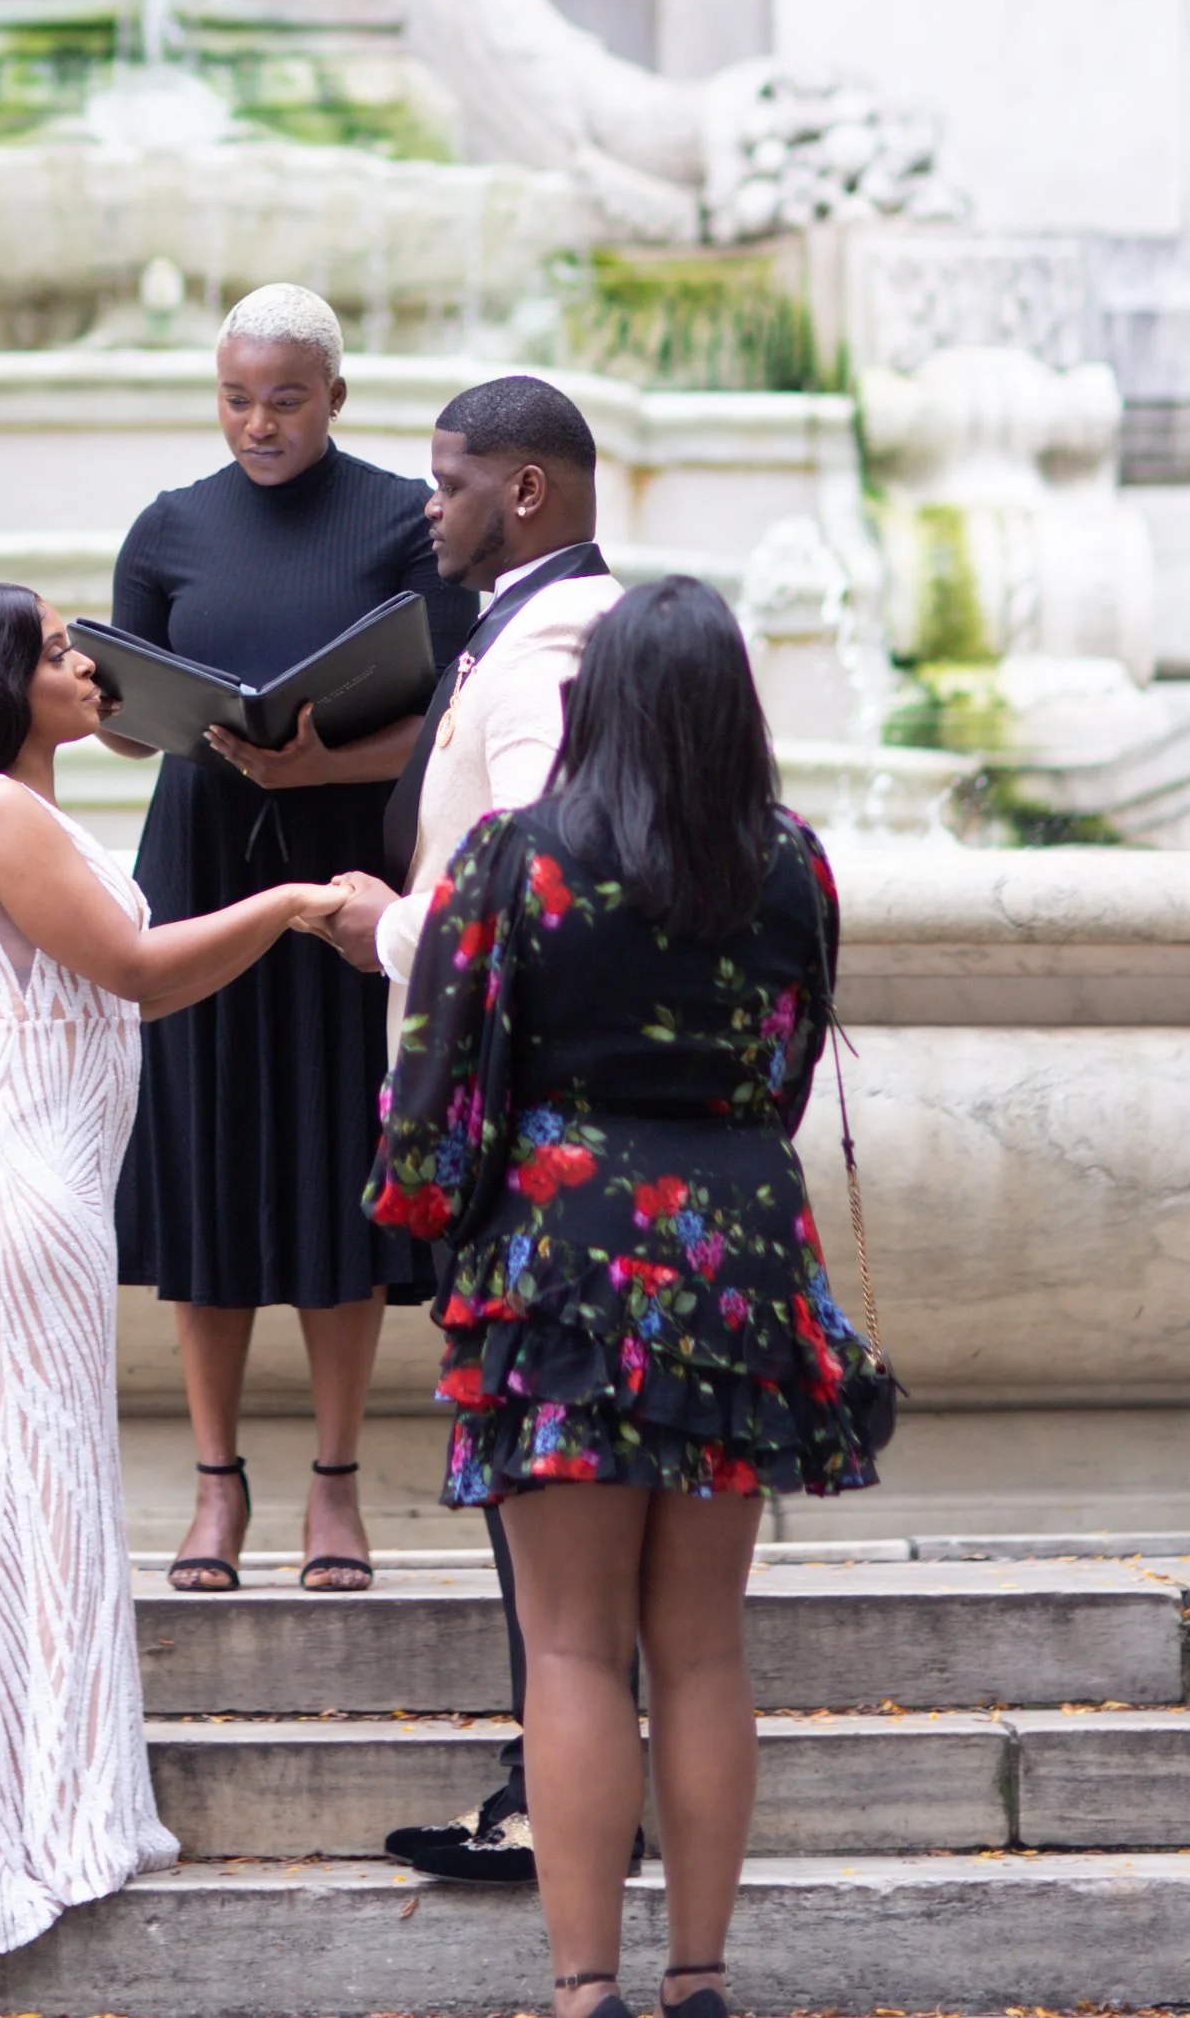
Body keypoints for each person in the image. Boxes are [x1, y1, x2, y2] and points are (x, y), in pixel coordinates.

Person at [367, 575, 886, 2018]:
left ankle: (585, 1988)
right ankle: (701, 1978)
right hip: (737, 1247)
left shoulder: (515, 858)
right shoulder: (794, 866)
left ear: (597, 704)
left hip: (561, 1250)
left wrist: (429, 1211)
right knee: (705, 1640)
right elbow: (785, 1067)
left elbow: (440, 1078)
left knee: (575, 1641)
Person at [0, 583, 344, 1969]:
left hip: (25, 1163)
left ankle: (30, 1774)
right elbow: (132, 969)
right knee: (33, 1460)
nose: (85, 660)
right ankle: (34, 1795)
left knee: (18, 1460)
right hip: (15, 1176)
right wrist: (288, 902)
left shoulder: (13, 804)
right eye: (56, 649)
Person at [108, 284, 478, 1594]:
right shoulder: (168, 527)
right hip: (200, 866)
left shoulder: (402, 523)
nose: (257, 420)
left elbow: (446, 717)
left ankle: (334, 1483)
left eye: (282, 396)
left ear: (334, 393)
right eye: (235, 396)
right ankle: (215, 1484)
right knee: (205, 1166)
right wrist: (125, 704)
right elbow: (122, 716)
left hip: (345, 878)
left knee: (338, 1165)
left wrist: (318, 766)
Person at [319, 372, 623, 1882]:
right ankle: (550, 1779)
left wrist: (386, 930)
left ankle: (553, 1796)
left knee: (541, 1476)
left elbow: (541, 870)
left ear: (523, 492)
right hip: (531, 1118)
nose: (418, 506)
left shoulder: (558, 635)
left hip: (525, 1127)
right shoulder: (531, 620)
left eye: (444, 482)